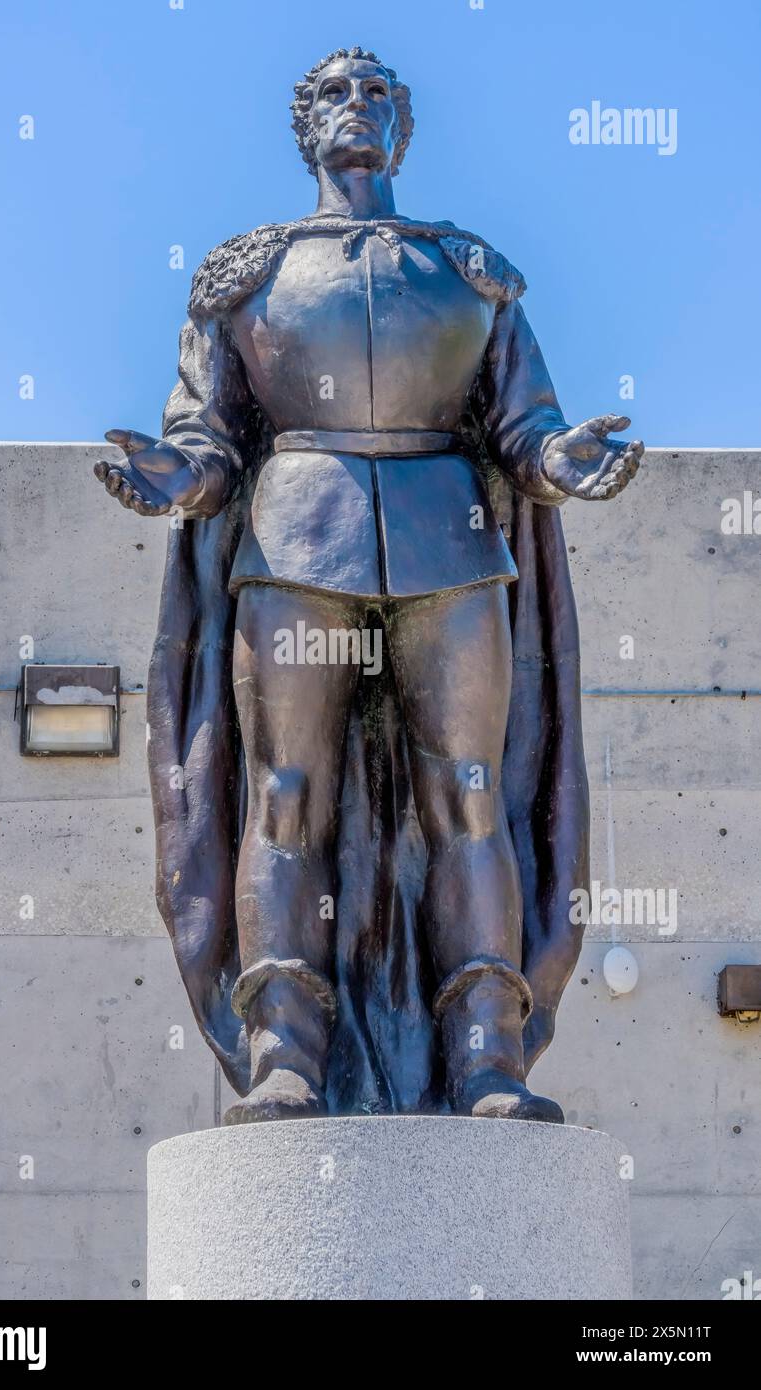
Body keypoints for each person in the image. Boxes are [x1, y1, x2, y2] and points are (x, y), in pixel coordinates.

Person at [95, 47, 642, 1124]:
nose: (361, 104)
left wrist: (558, 458)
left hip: (453, 538)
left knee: (467, 798)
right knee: (284, 797)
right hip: (297, 537)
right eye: (339, 91)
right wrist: (176, 474)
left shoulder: (469, 270)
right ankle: (283, 1049)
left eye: (381, 92)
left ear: (403, 130)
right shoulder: (243, 273)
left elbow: (521, 424)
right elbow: (207, 434)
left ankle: (485, 1049)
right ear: (306, 126)